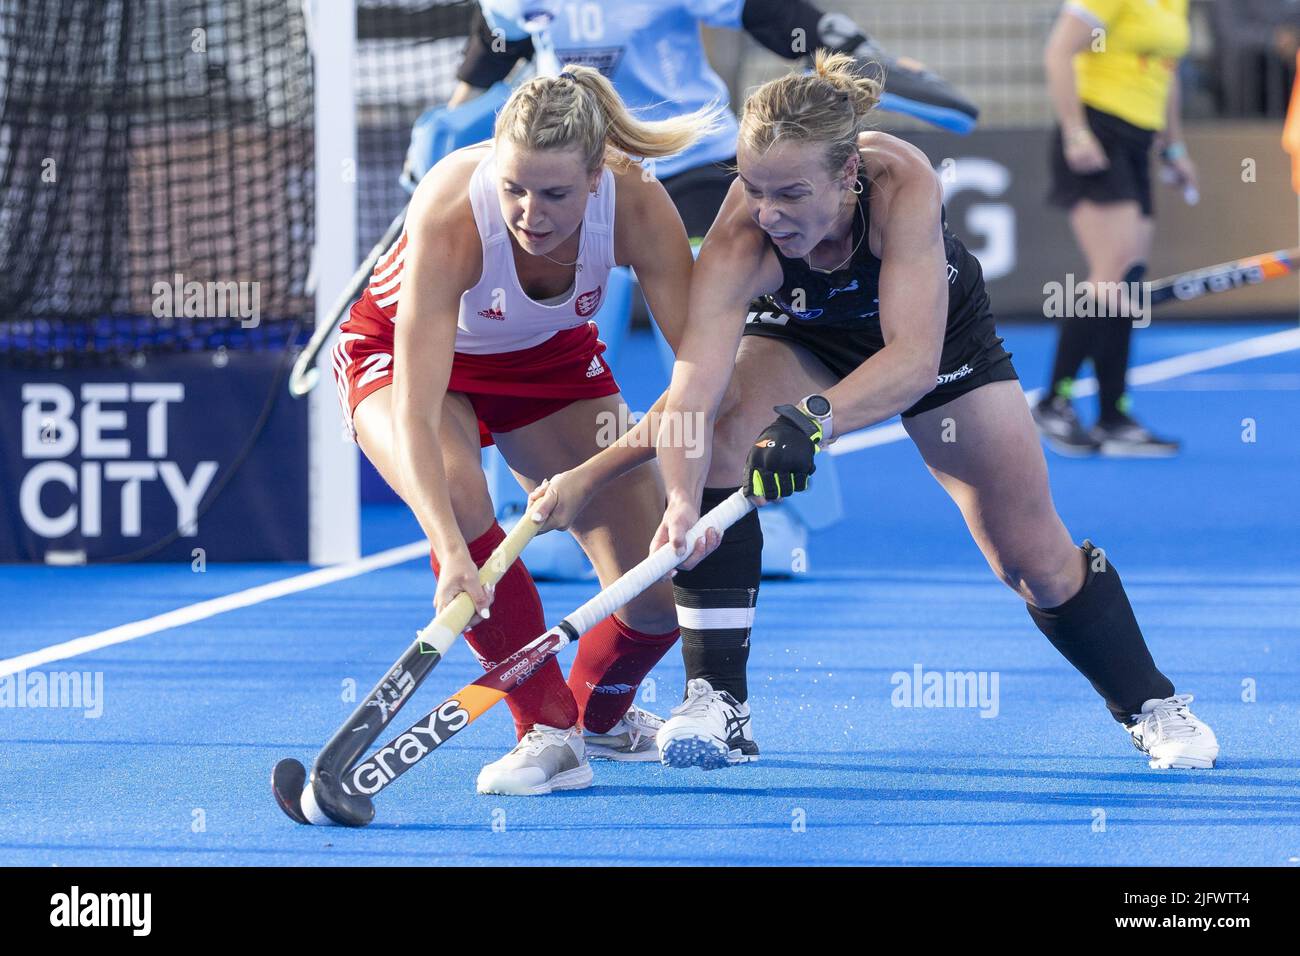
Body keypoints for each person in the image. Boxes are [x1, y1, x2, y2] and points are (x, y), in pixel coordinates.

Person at [637, 51, 1219, 772]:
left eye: (790, 193)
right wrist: (680, 503)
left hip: (937, 340)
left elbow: (910, 362)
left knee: (1030, 559)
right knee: (724, 437)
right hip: (802, 333)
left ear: (848, 176)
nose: (768, 212)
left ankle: (1150, 703)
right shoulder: (741, 238)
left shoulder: (901, 180)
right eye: (753, 188)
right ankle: (717, 702)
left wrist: (812, 420)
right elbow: (692, 391)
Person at [332, 65, 720, 795]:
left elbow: (698, 384)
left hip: (548, 362)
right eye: (513, 187)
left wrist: (612, 483)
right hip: (403, 359)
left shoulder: (637, 206)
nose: (529, 213)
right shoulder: (452, 207)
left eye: (554, 194)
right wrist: (450, 549)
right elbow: (416, 407)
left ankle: (596, 718)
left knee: (655, 598)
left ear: (598, 175)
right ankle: (545, 729)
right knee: (455, 494)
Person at [450, 0, 979, 241]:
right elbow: (496, 47)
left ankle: (745, 455)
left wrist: (859, 52)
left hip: (694, 162)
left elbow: (772, 14)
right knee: (563, 342)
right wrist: (443, 139)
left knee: (711, 340)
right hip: (582, 175)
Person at [1032, 0, 1195, 457]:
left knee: (1129, 281)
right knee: (1109, 277)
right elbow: (1058, 52)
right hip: (1098, 129)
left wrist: (1174, 148)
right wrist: (1075, 132)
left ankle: (1112, 415)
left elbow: (1167, 73)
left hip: (1139, 141)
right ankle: (1054, 401)